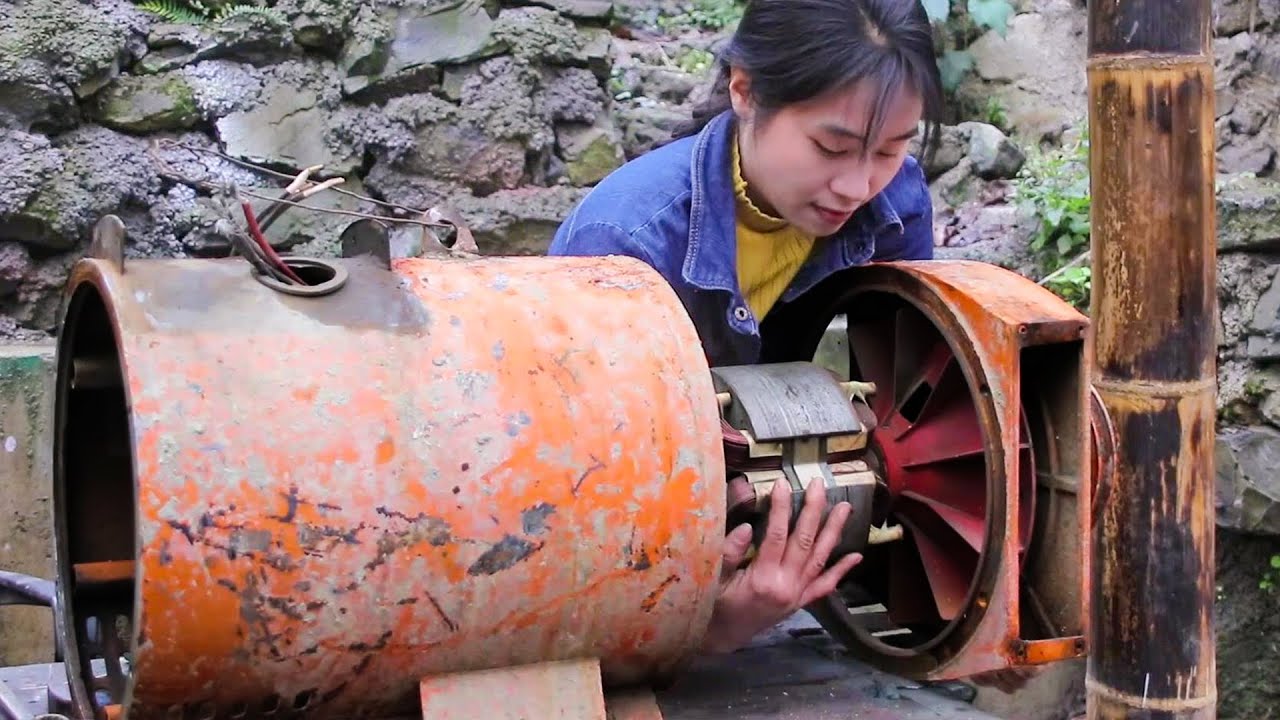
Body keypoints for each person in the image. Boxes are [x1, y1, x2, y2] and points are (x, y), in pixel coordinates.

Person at [548, 0, 944, 655]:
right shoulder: (622, 246)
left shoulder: (894, 204)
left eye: (890, 150)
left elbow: (915, 388)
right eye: (832, 147)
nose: (857, 185)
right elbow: (575, 503)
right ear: (745, 90)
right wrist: (714, 623)